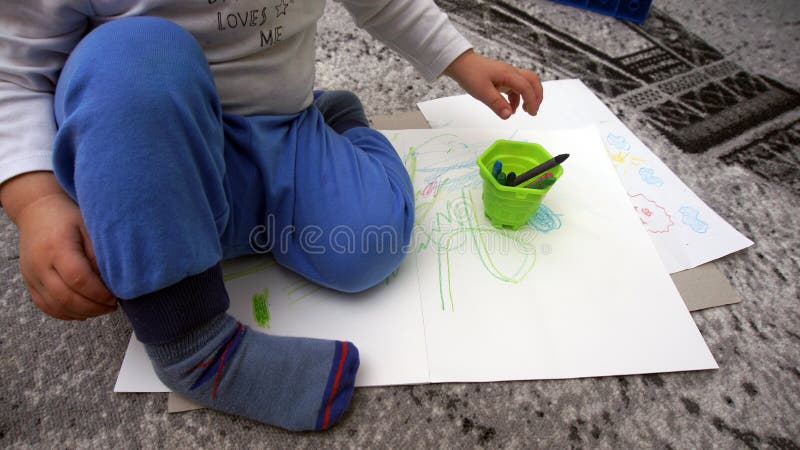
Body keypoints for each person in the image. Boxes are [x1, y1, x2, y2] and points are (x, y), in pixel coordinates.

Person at [0, 0, 542, 431]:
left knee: (367, 248)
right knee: (130, 54)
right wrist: (37, 201)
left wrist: (461, 60)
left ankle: (344, 122)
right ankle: (193, 345)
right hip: (155, 156)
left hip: (285, 129)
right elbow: (15, 72)